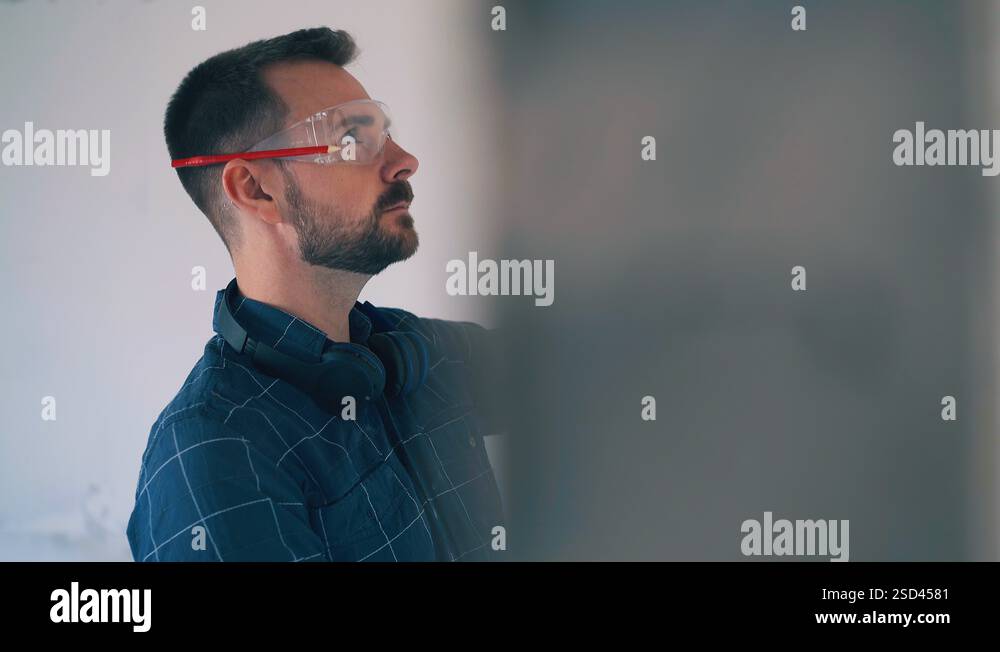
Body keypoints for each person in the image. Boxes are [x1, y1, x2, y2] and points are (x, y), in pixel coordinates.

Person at [126, 27, 505, 561]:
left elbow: (588, 380)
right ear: (256, 190)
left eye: (386, 133)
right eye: (353, 140)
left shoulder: (406, 349)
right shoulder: (217, 452)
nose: (404, 160)